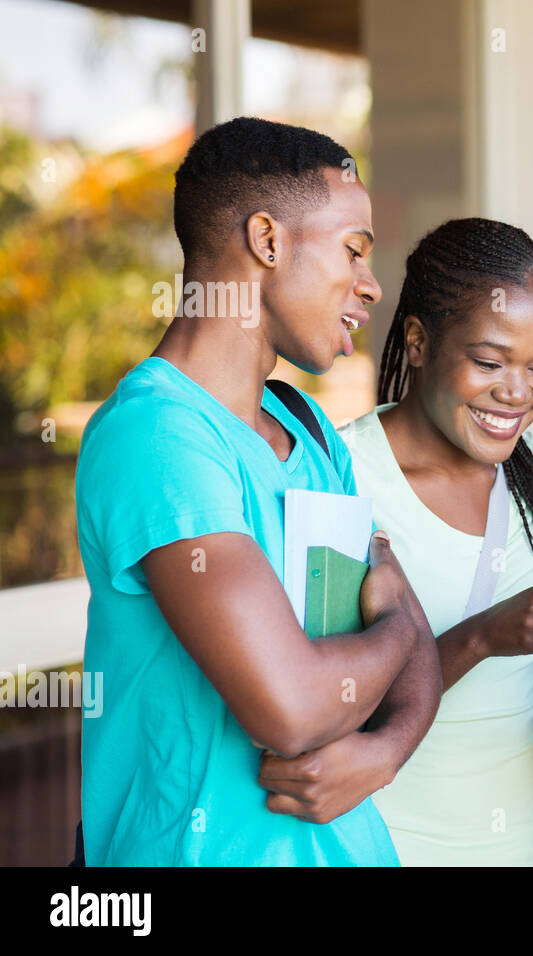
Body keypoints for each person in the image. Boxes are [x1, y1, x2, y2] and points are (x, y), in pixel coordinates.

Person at [74, 117, 440, 866]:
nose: (371, 284)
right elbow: (297, 708)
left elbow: (416, 664)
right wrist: (397, 626)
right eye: (354, 251)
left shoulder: (306, 429)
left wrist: (389, 748)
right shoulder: (158, 438)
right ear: (268, 242)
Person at [334, 218, 533, 865]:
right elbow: (324, 709)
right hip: (386, 849)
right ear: (416, 342)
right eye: (490, 362)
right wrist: (483, 636)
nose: (517, 392)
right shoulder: (344, 479)